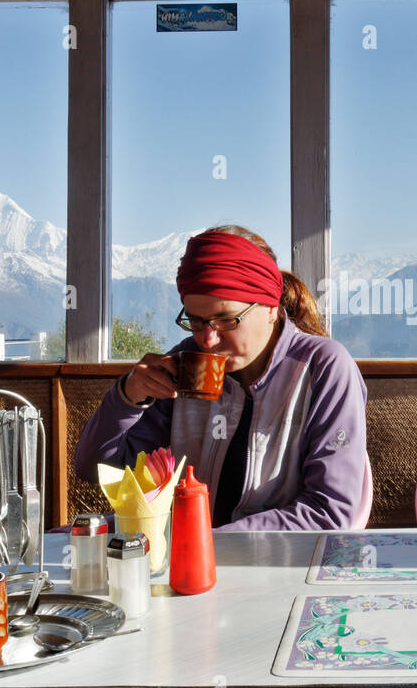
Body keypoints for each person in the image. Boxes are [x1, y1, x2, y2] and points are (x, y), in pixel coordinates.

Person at [75, 226, 369, 531]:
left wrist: (209, 543)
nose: (208, 340)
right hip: (186, 562)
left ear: (270, 307)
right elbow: (96, 471)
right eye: (196, 321)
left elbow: (330, 512)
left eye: (226, 320)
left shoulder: (323, 368)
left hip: (281, 567)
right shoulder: (188, 364)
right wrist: (127, 398)